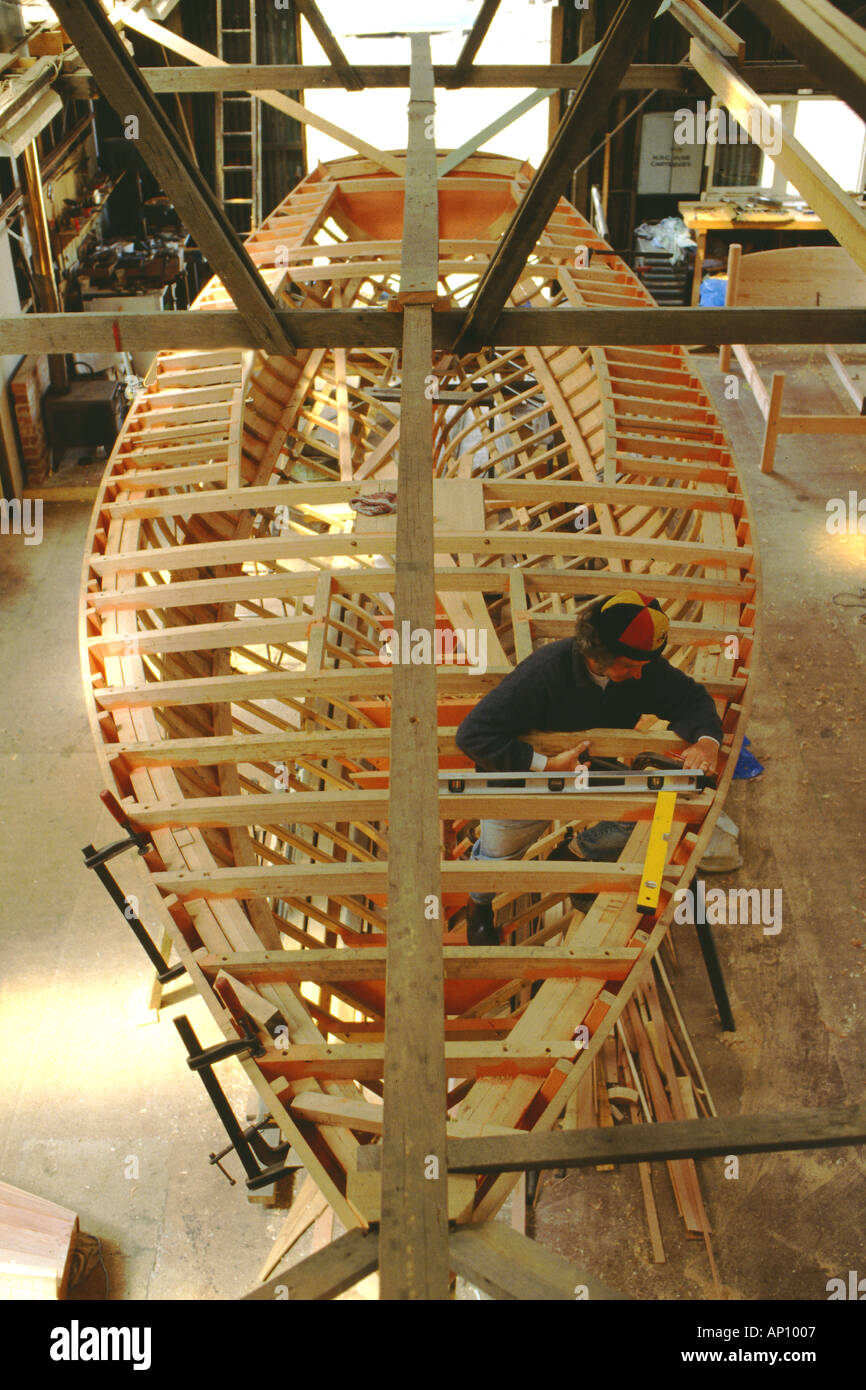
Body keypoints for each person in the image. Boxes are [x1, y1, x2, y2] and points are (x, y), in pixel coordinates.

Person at [455, 590, 723, 944]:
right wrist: (546, 765)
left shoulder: (643, 667)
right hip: (524, 781)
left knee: (655, 810)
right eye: (629, 667)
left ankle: (577, 851)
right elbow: (472, 735)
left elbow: (691, 699)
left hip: (590, 770)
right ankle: (479, 905)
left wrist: (706, 741)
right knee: (498, 859)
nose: (641, 676)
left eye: (644, 666)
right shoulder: (543, 673)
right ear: (598, 657)